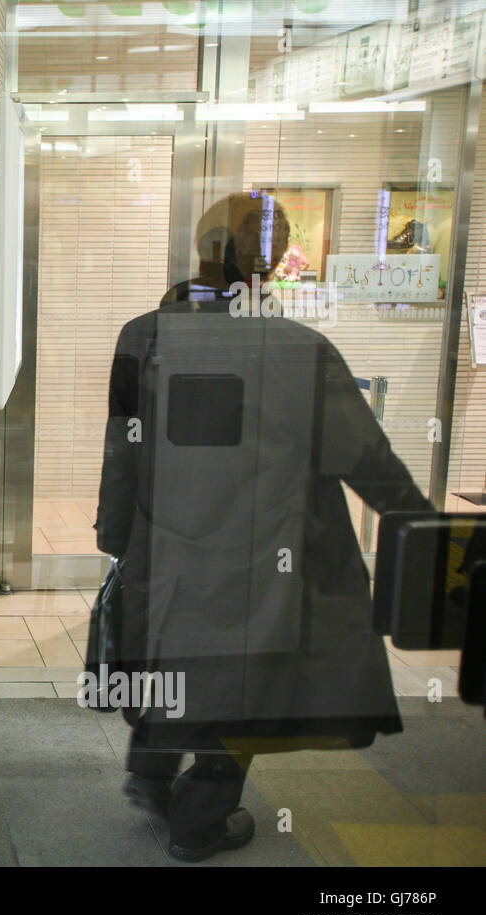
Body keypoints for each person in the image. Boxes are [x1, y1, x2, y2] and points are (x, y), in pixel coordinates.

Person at [95, 192, 432, 862]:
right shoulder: (298, 350)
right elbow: (364, 457)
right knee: (245, 684)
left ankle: (152, 771)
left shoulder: (144, 334)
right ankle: (200, 821)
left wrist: (116, 537)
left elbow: (122, 446)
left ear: (203, 247)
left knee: (175, 656)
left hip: (168, 545)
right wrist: (423, 524)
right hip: (264, 555)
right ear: (271, 264)